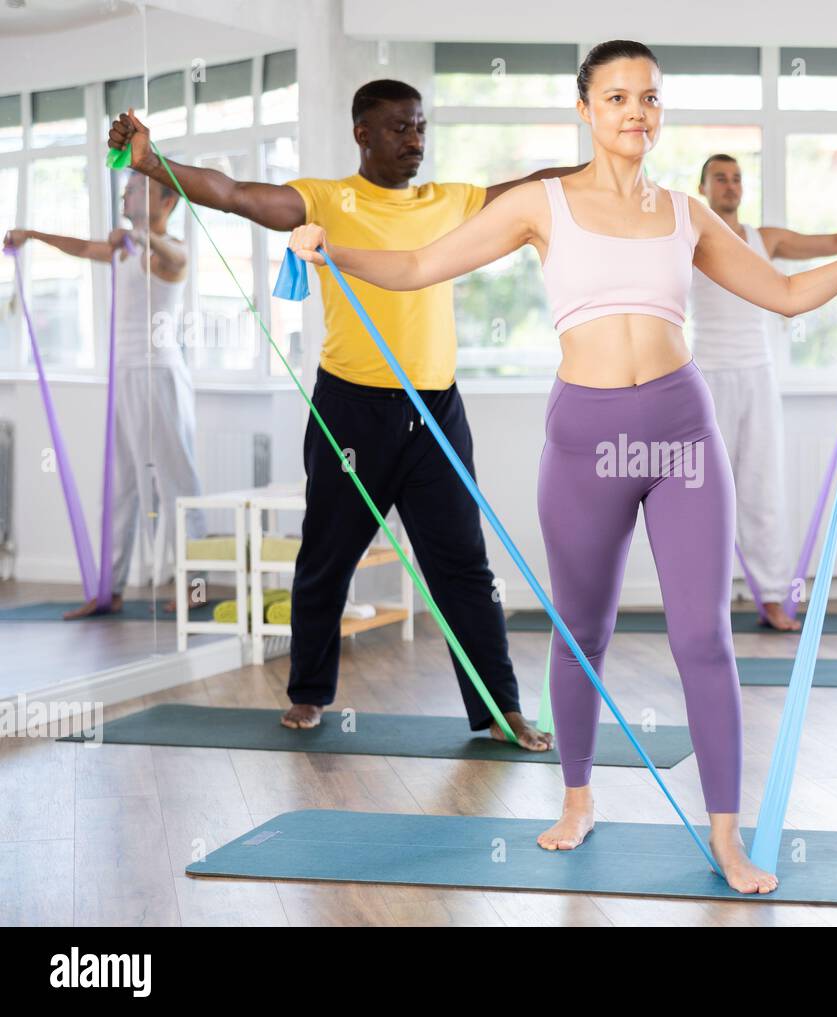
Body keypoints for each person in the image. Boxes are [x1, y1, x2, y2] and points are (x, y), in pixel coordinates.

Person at [287, 41, 837, 893]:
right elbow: (417, 266)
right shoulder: (542, 204)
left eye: (649, 98)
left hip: (681, 435)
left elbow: (785, 294)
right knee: (582, 633)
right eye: (617, 97)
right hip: (586, 439)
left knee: (704, 637)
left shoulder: (689, 211)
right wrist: (334, 251)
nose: (635, 112)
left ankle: (728, 837)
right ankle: (578, 797)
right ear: (584, 110)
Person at [108, 79, 586, 747]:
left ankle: (499, 708)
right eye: (398, 128)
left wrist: (607, 163)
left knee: (464, 566)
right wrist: (154, 163)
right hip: (351, 412)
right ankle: (309, 693)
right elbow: (236, 194)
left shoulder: (451, 201)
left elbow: (535, 185)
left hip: (435, 411)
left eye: (420, 127)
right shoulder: (327, 200)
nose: (414, 140)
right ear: (362, 133)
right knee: (327, 558)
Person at [690, 153, 837, 631]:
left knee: (761, 487)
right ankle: (701, 603)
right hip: (706, 376)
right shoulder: (690, 233)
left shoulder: (767, 239)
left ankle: (773, 598)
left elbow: (836, 242)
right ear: (703, 188)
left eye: (737, 178)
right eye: (720, 178)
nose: (730, 185)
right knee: (701, 494)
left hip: (757, 374)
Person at [5, 171, 205, 619]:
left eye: (138, 187)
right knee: (120, 487)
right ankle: (107, 590)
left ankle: (194, 587)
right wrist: (32, 234)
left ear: (167, 201)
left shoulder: (167, 253)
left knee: (177, 484)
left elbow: (173, 253)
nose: (127, 192)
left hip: (160, 375)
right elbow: (79, 246)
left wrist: (140, 236)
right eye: (127, 187)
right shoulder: (123, 251)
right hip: (124, 377)